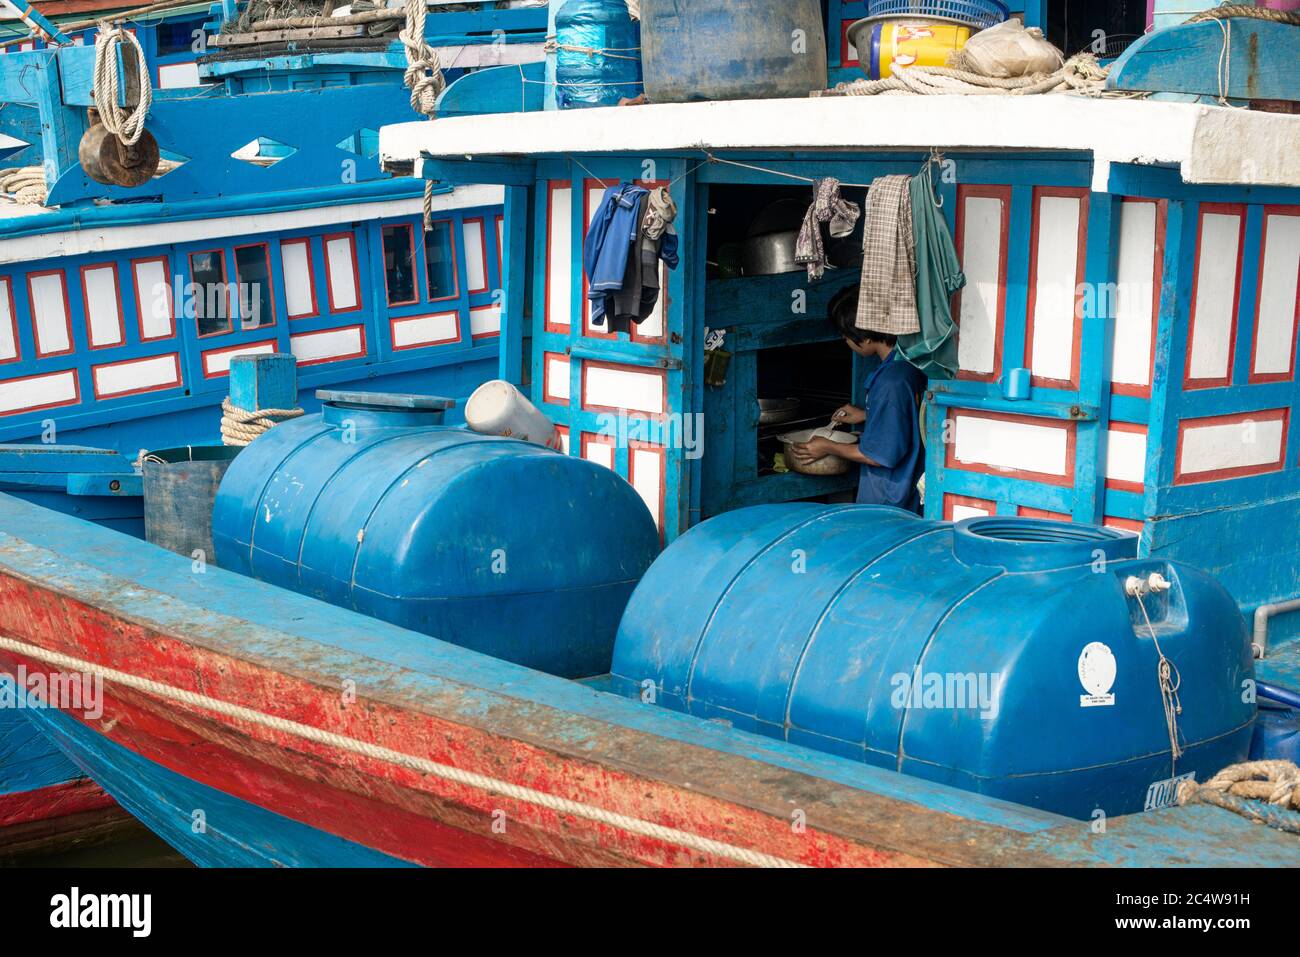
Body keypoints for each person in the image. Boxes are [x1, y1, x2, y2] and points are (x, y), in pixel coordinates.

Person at [788, 286, 928, 513]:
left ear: (864, 332)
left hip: (889, 500)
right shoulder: (905, 364)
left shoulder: (891, 382)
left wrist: (828, 446)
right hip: (903, 493)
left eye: (846, 334)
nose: (845, 340)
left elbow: (880, 456)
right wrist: (867, 415)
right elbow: (907, 418)